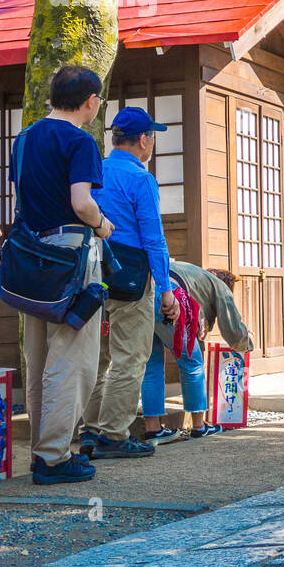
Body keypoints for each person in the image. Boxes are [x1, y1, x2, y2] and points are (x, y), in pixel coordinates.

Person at [14, 66, 114, 485]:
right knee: (72, 356)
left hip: (29, 255)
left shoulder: (23, 139)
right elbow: (80, 202)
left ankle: (43, 450)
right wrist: (102, 224)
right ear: (91, 100)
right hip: (69, 254)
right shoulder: (80, 141)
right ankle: (53, 457)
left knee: (37, 357)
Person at [79, 107, 178, 460]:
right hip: (132, 276)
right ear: (143, 140)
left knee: (96, 357)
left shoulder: (95, 171)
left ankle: (89, 431)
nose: (151, 142)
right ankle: (113, 435)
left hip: (91, 272)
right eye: (151, 136)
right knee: (130, 356)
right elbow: (154, 238)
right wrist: (166, 289)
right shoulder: (141, 179)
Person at [141, 264, 253, 443]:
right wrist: (245, 342)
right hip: (167, 296)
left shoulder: (194, 274)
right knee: (192, 362)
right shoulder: (219, 285)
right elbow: (232, 325)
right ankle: (199, 426)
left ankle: (153, 429)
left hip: (142, 294)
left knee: (150, 364)